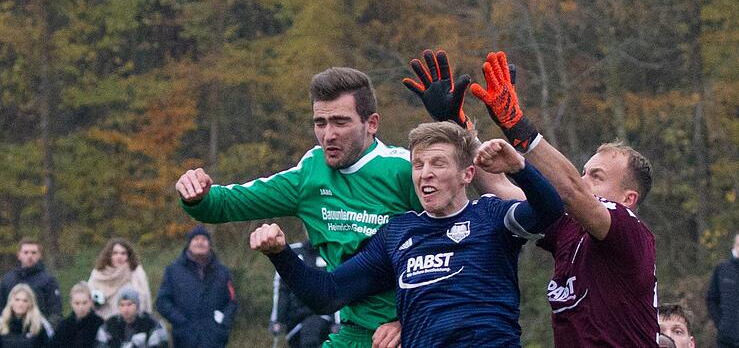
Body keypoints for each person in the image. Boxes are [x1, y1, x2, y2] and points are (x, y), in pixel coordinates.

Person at [176, 65, 522, 348]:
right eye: (320, 123)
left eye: (340, 122)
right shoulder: (309, 175)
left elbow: (462, 243)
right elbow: (225, 205)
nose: (328, 135)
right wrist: (197, 194)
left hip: (414, 330)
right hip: (354, 330)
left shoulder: (404, 170)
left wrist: (408, 321)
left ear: (371, 124)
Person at [251, 121, 565, 347]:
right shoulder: (398, 233)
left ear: (467, 174)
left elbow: (549, 210)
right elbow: (328, 294)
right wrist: (280, 253)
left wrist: (519, 168)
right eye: (418, 164)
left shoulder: (491, 215)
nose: (425, 172)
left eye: (438, 163)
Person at [467, 50, 659, 346]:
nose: (584, 181)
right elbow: (502, 191)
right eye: (583, 172)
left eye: (596, 176)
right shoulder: (569, 227)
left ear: (628, 198)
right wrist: (464, 133)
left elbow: (572, 191)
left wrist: (519, 128)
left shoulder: (630, 232)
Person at [156, 225, 237, 348]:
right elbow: (162, 301)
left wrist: (222, 322)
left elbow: (231, 302)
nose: (200, 242)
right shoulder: (173, 270)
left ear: (209, 244)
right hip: (183, 339)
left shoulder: (222, 272)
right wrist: (180, 321)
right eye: (196, 239)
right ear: (189, 243)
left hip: (214, 340)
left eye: (204, 239)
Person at [270, 240, 337, 348]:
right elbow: (282, 290)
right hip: (295, 321)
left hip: (324, 319)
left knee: (311, 332)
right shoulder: (292, 251)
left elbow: (339, 288)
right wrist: (277, 320)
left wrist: (337, 321)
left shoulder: (332, 253)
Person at [0, 237, 62, 325]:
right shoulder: (7, 280)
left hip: (38, 332)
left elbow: (55, 313)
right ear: (19, 255)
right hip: (10, 333)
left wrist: (44, 333)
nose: (29, 256)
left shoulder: (49, 281)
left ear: (40, 255)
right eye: (26, 252)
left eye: (33, 253)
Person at [88, 238, 153, 319]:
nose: (119, 257)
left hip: (134, 324)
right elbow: (89, 303)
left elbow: (146, 299)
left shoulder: (136, 272)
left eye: (123, 253)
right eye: (115, 253)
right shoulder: (98, 275)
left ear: (128, 256)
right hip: (105, 324)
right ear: (109, 255)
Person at [96, 286, 168, 348]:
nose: (126, 309)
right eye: (122, 305)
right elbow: (100, 344)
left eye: (129, 304)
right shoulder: (110, 324)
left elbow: (161, 344)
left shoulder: (151, 324)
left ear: (137, 305)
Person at [0, 283, 53, 348]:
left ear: (30, 303)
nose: (20, 304)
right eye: (17, 300)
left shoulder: (40, 323)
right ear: (11, 301)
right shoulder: (2, 323)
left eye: (25, 301)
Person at [52, 281, 104, 347]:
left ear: (90, 302)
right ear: (71, 303)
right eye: (77, 303)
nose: (81, 307)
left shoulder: (99, 324)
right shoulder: (64, 326)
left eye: (84, 303)